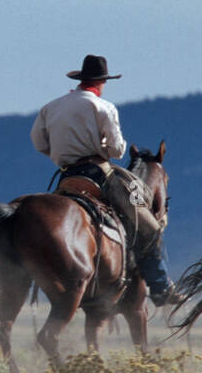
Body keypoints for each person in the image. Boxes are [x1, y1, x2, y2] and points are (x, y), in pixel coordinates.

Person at [30, 54, 176, 306]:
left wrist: (58, 153)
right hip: (99, 173)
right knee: (150, 228)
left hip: (66, 175)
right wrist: (103, 148)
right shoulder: (104, 107)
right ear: (101, 82)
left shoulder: (51, 107)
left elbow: (38, 142)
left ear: (80, 79)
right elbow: (119, 150)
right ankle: (161, 287)